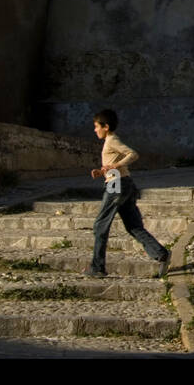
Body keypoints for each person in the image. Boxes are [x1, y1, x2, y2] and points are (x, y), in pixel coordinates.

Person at [82, 109, 171, 279]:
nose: (95, 130)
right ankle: (161, 254)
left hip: (116, 183)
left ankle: (97, 267)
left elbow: (132, 154)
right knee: (133, 225)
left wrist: (114, 167)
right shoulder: (109, 142)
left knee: (100, 225)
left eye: (96, 126)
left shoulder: (112, 140)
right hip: (123, 181)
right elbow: (113, 164)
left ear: (105, 127)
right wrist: (102, 172)